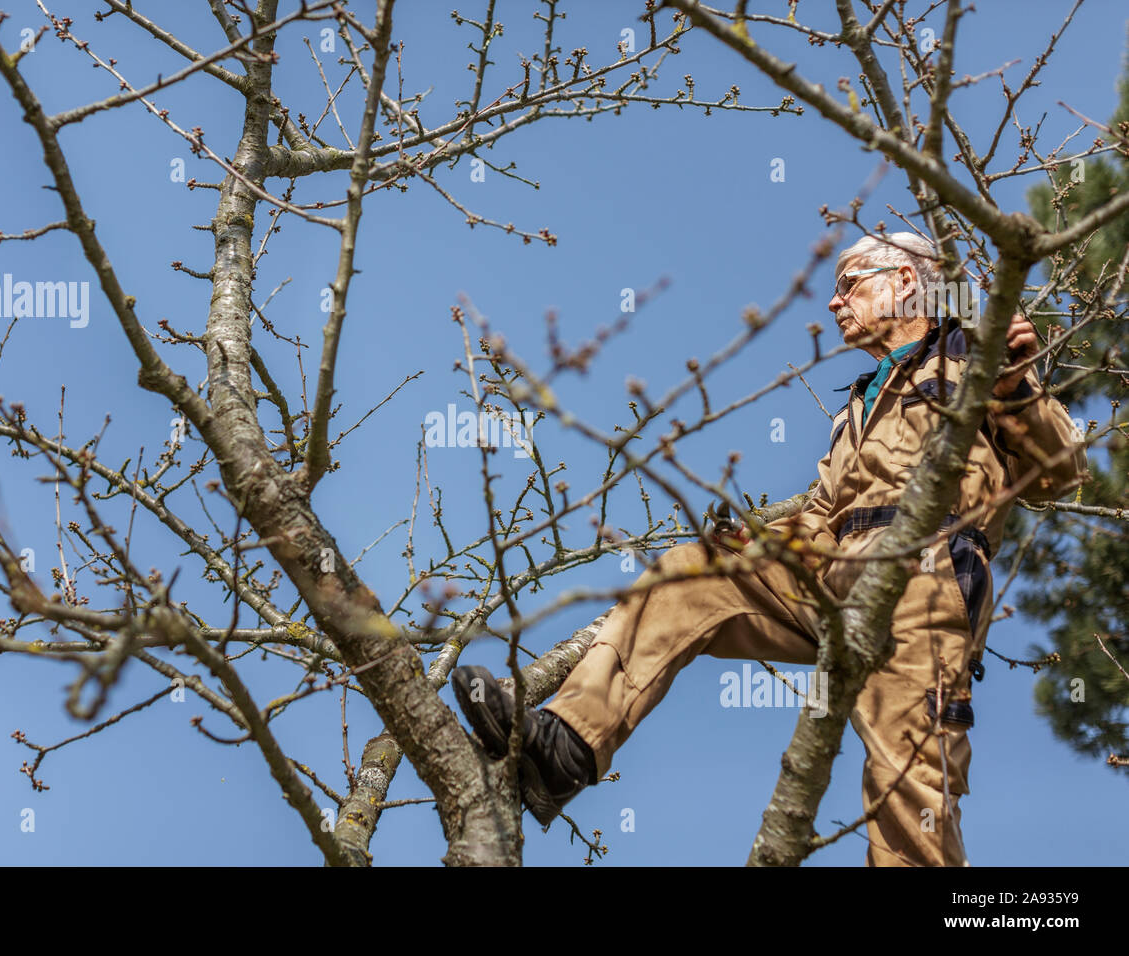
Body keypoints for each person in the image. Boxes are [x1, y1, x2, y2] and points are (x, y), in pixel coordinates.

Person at [452, 233, 1087, 865]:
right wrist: (760, 551)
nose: (834, 303)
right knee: (687, 572)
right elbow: (820, 514)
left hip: (927, 575)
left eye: (850, 283)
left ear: (907, 282)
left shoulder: (971, 358)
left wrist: (1012, 384)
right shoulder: (856, 407)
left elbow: (1060, 468)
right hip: (837, 571)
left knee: (906, 796)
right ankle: (567, 747)